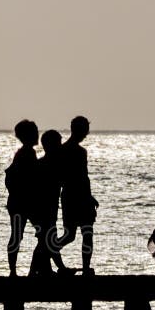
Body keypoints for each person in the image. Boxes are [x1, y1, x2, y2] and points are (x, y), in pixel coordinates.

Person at [56, 116, 98, 276]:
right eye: (85, 131)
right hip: (79, 197)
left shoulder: (61, 150)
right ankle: (86, 268)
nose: (86, 134)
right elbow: (82, 177)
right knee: (86, 234)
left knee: (70, 235)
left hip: (68, 196)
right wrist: (88, 197)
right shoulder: (80, 152)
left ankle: (49, 252)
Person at [29, 130, 75, 276]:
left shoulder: (44, 164)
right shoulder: (47, 164)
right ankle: (39, 271)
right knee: (46, 240)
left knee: (45, 240)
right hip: (43, 208)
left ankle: (45, 270)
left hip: (47, 208)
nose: (61, 146)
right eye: (58, 143)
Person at [5, 119, 38, 276]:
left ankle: (23, 270)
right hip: (22, 203)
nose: (38, 134)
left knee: (20, 235)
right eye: (35, 131)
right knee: (22, 235)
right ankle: (15, 271)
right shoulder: (27, 153)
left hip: (21, 202)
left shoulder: (24, 153)